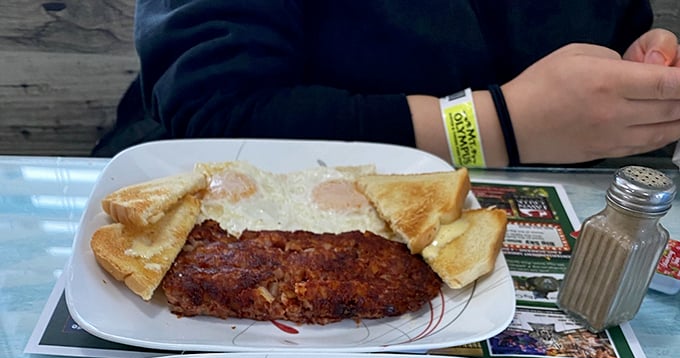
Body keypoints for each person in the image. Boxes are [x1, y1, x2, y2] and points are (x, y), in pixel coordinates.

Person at [95, 1, 680, 168]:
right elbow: (214, 106)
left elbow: (618, 28)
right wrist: (497, 126)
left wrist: (632, 79)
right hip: (239, 198)